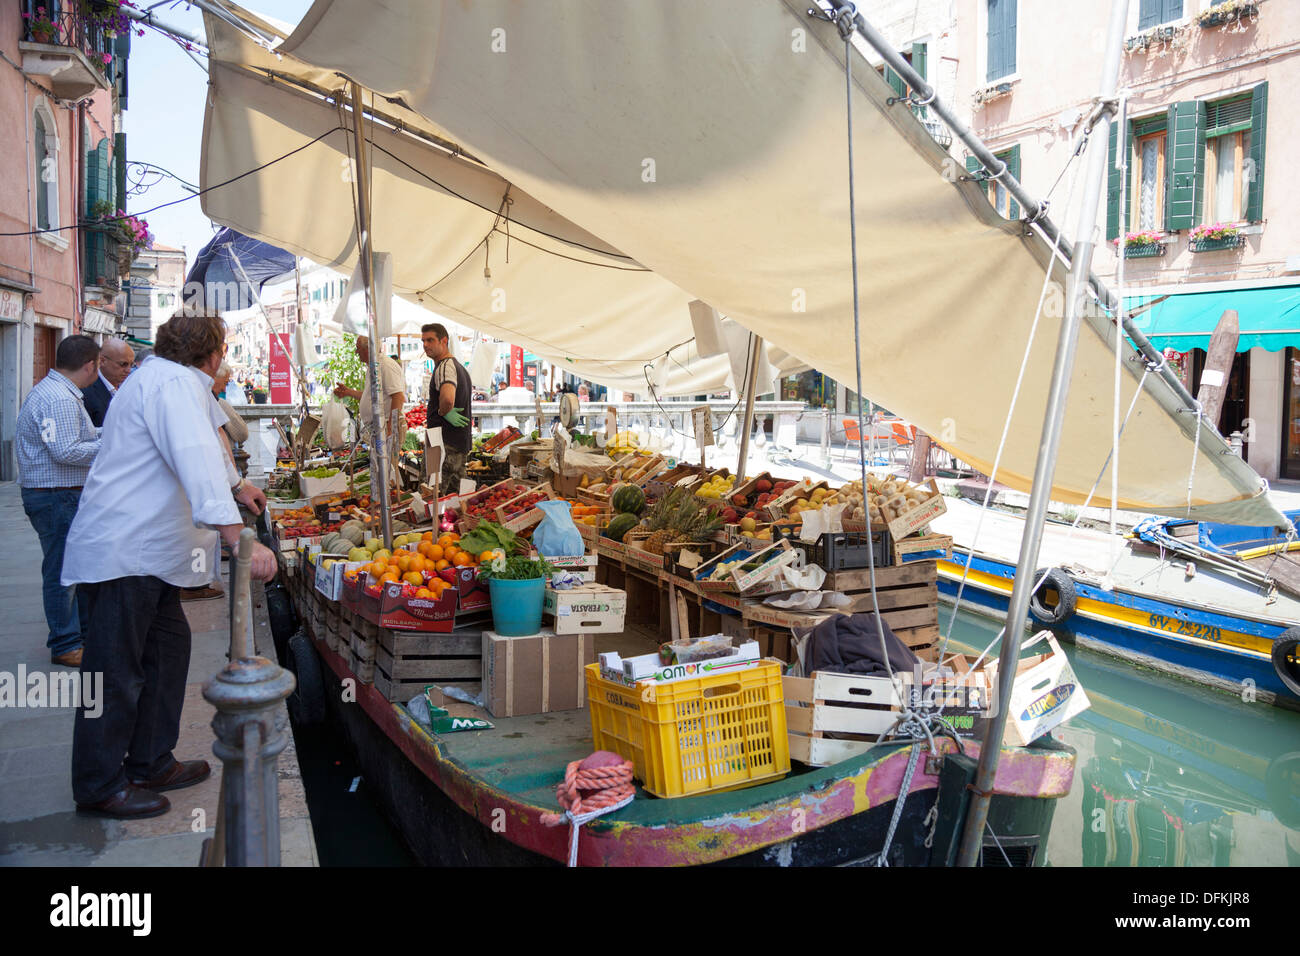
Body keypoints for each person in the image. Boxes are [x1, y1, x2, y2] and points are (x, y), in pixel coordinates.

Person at [63, 311, 276, 820]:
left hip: (148, 556)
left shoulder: (172, 382)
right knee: (114, 673)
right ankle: (98, 784)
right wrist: (236, 536)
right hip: (124, 553)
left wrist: (239, 487)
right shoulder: (174, 384)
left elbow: (210, 451)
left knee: (166, 656)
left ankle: (150, 760)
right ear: (216, 354)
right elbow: (194, 455)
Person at [16, 334, 102, 668]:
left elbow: (80, 438)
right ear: (90, 365)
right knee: (63, 571)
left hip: (57, 495)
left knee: (69, 567)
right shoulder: (58, 399)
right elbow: (66, 451)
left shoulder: (57, 392)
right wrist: (113, 446)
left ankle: (74, 636)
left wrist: (110, 433)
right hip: (55, 496)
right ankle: (65, 643)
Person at [333, 334, 406, 483]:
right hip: (379, 429)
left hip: (385, 428)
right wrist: (348, 392)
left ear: (369, 349)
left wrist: (390, 428)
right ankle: (385, 499)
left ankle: (391, 500)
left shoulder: (385, 366)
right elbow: (371, 398)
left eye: (358, 349)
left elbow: (398, 397)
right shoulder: (373, 367)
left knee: (387, 469)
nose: (356, 352)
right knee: (381, 468)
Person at [420, 323, 473, 495]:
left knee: (430, 497)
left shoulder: (445, 365)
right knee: (456, 500)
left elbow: (448, 398)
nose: (426, 345)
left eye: (430, 340)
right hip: (457, 442)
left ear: (444, 341)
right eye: (423, 341)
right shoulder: (459, 368)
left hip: (441, 442)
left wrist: (443, 411)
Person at [82, 337, 134, 428]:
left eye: (131, 365)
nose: (128, 370)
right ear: (102, 361)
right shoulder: (86, 391)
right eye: (123, 364)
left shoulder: (128, 388)